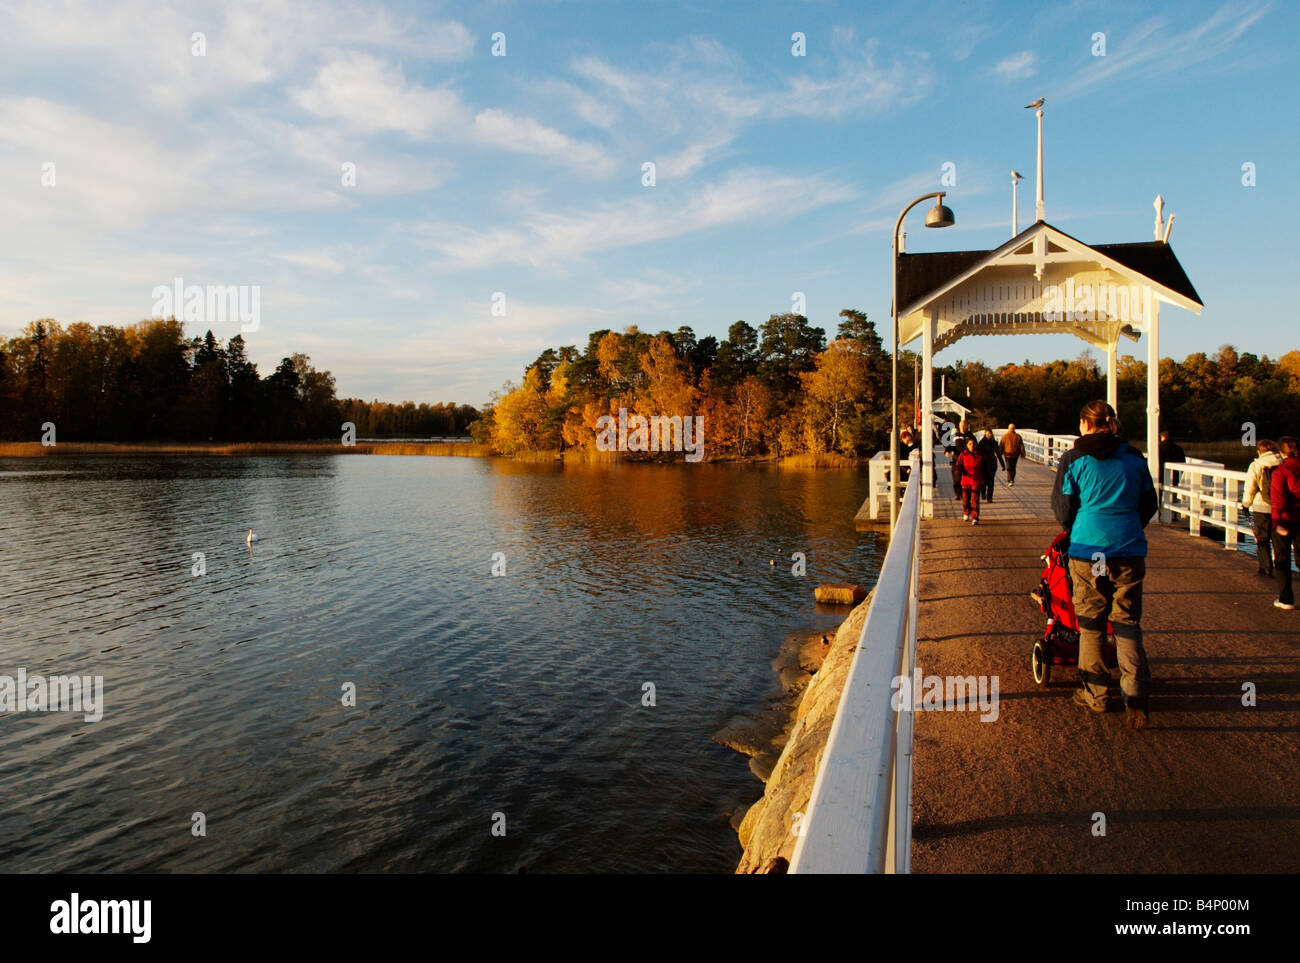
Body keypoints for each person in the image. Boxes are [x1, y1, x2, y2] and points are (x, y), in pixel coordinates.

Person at [1051, 400, 1158, 728]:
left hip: (1090, 551)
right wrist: (1127, 528)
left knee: (1092, 621)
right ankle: (1135, 690)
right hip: (1128, 549)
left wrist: (1079, 529)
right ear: (1111, 423)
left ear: (1085, 423)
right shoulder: (1134, 458)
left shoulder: (1074, 459)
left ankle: (1096, 694)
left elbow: (1063, 509)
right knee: (1127, 620)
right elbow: (1149, 503)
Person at [1241, 440, 1282, 577]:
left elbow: (1250, 487)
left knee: (1262, 538)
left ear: (1260, 451)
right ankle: (1281, 567)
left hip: (1261, 506)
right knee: (1278, 540)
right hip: (1279, 507)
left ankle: (1265, 567)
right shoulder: (1282, 463)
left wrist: (1246, 504)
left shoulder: (1256, 465)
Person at [1270, 436, 1300, 610]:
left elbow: (1278, 499)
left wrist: (1277, 521)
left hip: (1286, 519)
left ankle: (1286, 599)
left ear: (1281, 452)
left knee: (1282, 558)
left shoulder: (1281, 471)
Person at [956, 437, 984, 525]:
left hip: (976, 480)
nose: (972, 446)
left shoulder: (979, 455)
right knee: (965, 499)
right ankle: (966, 512)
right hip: (966, 479)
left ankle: (975, 517)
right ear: (967, 445)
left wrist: (985, 479)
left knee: (975, 499)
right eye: (970, 444)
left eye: (973, 444)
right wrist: (958, 471)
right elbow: (958, 465)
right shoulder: (963, 455)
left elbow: (984, 467)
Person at [949, 419, 977, 499]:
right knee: (956, 478)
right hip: (956, 460)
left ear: (967, 426)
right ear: (959, 426)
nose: (963, 427)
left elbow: (976, 446)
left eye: (964, 426)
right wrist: (947, 451)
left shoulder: (970, 436)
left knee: (967, 479)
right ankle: (957, 494)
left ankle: (965, 494)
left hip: (967, 461)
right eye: (961, 426)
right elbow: (950, 445)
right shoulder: (955, 436)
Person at [977, 429, 1004, 503]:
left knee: (991, 481)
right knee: (983, 481)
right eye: (987, 433)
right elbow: (977, 454)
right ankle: (983, 493)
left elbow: (998, 454)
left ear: (992, 434)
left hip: (992, 464)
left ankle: (989, 497)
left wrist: (1003, 465)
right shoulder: (981, 443)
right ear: (985, 434)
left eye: (990, 433)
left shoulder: (995, 443)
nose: (989, 435)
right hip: (983, 464)